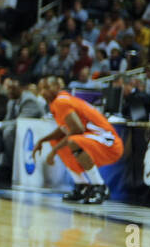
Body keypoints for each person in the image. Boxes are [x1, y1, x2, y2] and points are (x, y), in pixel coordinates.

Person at [32, 76, 123, 204]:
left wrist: (53, 152)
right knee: (58, 141)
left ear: (58, 87)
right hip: (97, 139)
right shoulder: (59, 101)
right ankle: (82, 186)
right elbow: (65, 129)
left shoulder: (60, 102)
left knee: (73, 141)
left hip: (109, 142)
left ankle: (100, 187)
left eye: (47, 88)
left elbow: (77, 129)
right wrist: (42, 140)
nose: (43, 92)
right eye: (41, 89)